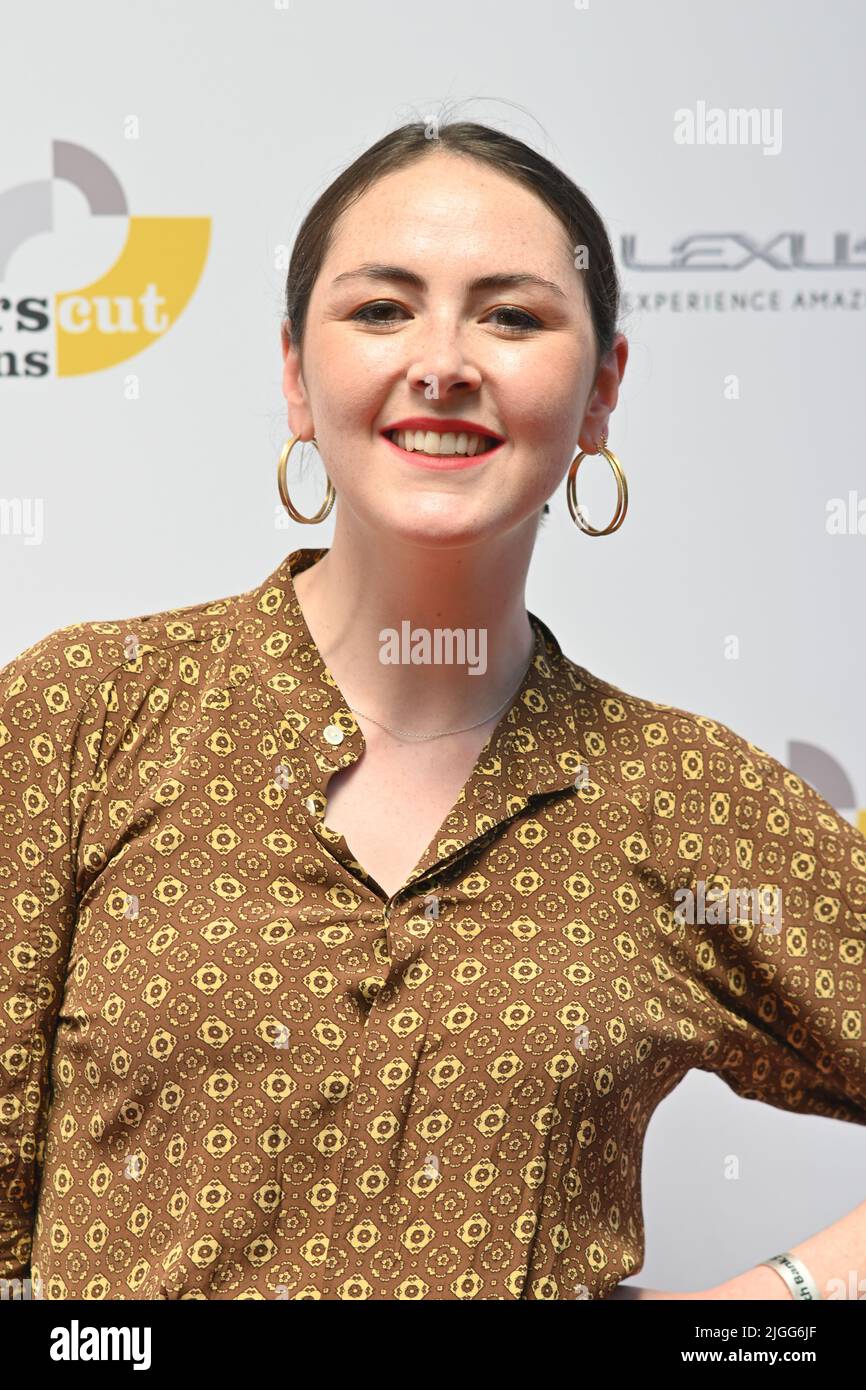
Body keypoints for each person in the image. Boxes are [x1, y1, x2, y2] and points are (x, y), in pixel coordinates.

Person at [1, 120, 864, 1303]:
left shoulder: (681, 794)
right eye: (381, 310)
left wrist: (775, 1305)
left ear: (600, 390)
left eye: (511, 315)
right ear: (297, 378)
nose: (444, 361)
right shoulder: (83, 713)